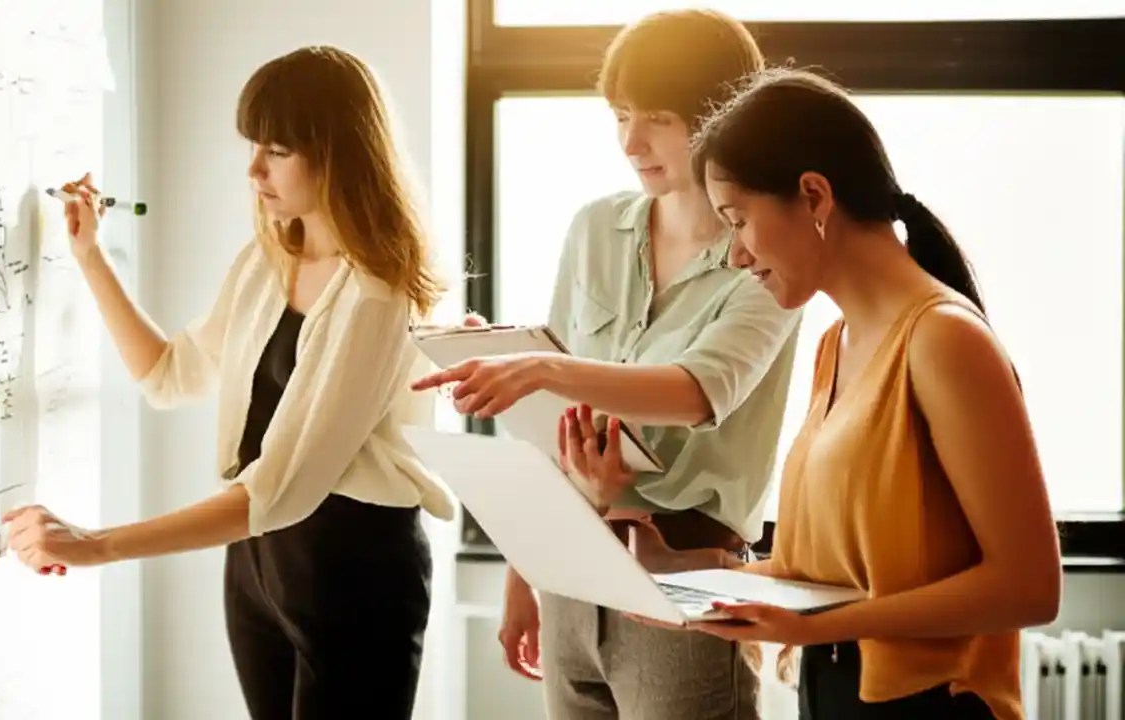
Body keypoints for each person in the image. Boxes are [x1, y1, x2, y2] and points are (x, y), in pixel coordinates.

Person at [0, 46, 455, 720]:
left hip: (352, 564)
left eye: (276, 150)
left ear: (337, 152)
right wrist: (90, 257)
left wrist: (96, 545)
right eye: (253, 146)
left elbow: (280, 487)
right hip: (256, 562)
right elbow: (168, 373)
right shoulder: (267, 260)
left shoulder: (378, 297)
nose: (254, 169)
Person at [609, 67, 1061, 720]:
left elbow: (1029, 588)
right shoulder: (837, 345)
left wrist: (813, 630)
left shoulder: (943, 341)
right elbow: (825, 580)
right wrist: (678, 577)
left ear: (815, 196)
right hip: (834, 693)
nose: (735, 256)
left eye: (738, 221)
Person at [412, 10, 800, 719]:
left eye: (655, 117)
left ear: (722, 118)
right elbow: (551, 422)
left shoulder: (767, 257)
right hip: (570, 573)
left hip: (683, 582)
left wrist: (537, 368)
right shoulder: (595, 227)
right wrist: (522, 574)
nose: (630, 141)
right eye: (619, 115)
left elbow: (696, 392)